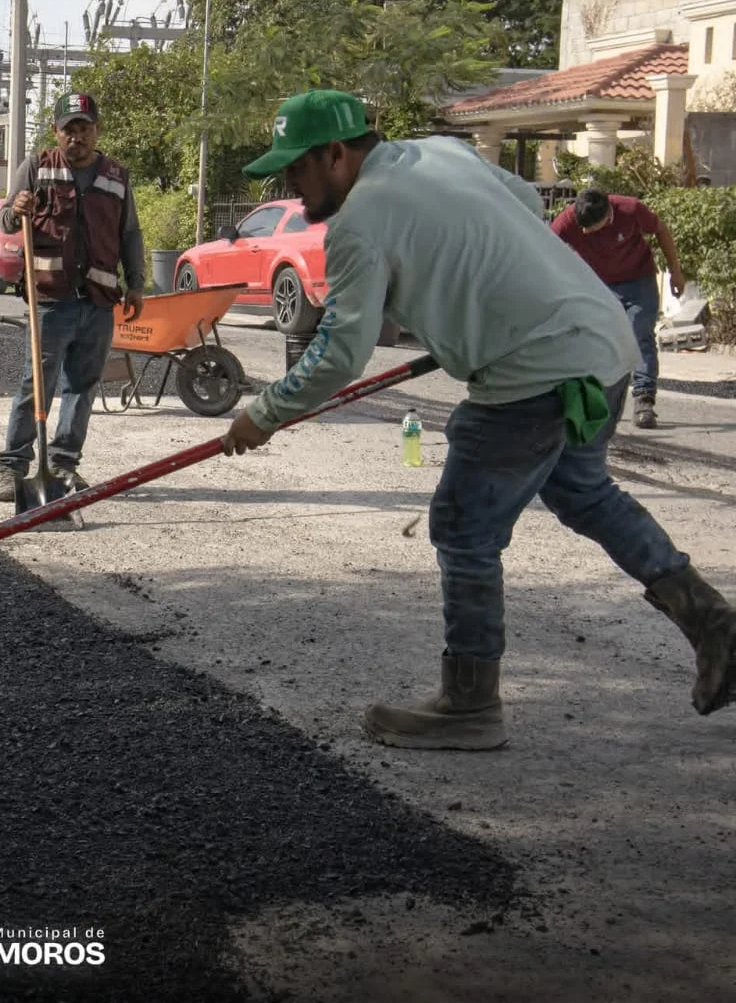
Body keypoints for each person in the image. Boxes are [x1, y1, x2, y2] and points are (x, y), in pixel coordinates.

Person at [217, 89, 735, 750]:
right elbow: (521, 205)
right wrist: (469, 290)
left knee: (463, 525)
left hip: (535, 369)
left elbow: (341, 349)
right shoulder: (441, 153)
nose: (291, 185)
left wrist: (265, 413)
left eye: (297, 168)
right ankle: (714, 624)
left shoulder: (357, 224)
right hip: (602, 346)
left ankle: (469, 704)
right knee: (583, 492)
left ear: (337, 155)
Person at [0, 92, 146, 502]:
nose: (77, 137)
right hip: (51, 299)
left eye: (84, 128)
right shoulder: (37, 167)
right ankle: (12, 466)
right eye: (69, 130)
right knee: (35, 384)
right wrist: (17, 207)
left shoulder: (116, 176)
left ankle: (62, 464)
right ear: (56, 132)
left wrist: (137, 282)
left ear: (97, 131)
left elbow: (130, 233)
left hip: (97, 300)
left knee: (82, 385)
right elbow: (7, 220)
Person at [550, 188, 685, 428]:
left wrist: (675, 271)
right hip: (598, 286)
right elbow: (545, 248)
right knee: (594, 339)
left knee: (640, 334)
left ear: (607, 214)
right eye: (581, 226)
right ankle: (591, 399)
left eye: (591, 227)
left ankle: (644, 399)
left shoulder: (631, 209)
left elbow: (661, 230)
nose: (584, 232)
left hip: (638, 282)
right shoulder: (570, 220)